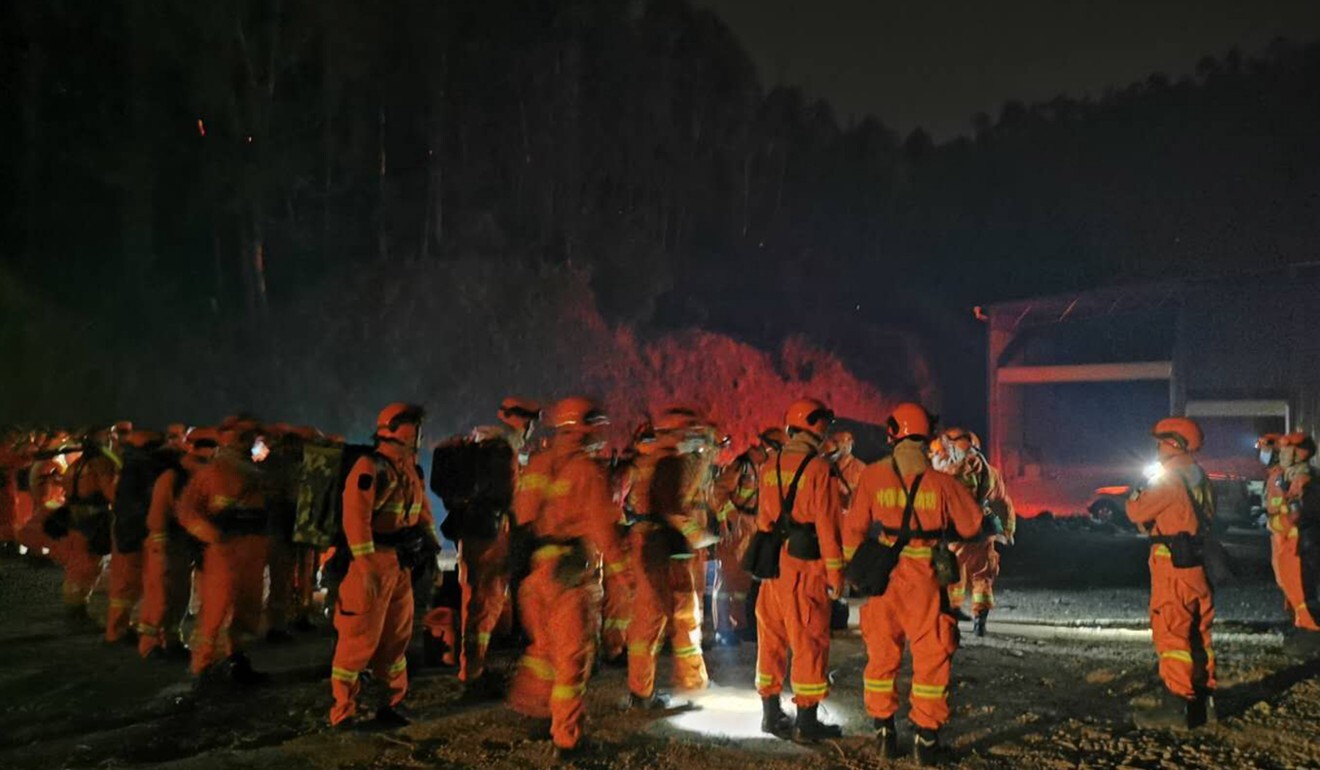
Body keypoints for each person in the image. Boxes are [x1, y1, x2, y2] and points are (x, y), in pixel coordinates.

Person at [844, 403, 983, 764]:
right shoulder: (942, 482)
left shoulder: (872, 476)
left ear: (893, 433)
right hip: (925, 581)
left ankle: (884, 734)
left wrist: (851, 573)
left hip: (882, 578)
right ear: (927, 437)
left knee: (881, 657)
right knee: (931, 658)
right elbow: (971, 526)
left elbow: (853, 530)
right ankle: (926, 741)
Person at [507, 397, 625, 757]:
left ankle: (533, 713)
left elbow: (523, 515)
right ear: (586, 427)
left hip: (537, 572)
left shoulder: (539, 464)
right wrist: (622, 573)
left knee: (543, 651)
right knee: (572, 660)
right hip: (571, 575)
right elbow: (603, 527)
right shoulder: (588, 471)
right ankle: (568, 739)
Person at [329, 403, 439, 727]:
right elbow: (356, 521)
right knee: (357, 641)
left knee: (395, 641)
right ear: (400, 429)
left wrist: (429, 551)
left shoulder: (409, 469)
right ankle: (342, 713)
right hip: (373, 563)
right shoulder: (369, 467)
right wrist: (366, 568)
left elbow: (422, 513)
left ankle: (389, 705)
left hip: (400, 566)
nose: (419, 434)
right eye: (416, 428)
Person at [754, 398, 845, 742]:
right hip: (805, 569)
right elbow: (828, 527)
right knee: (809, 641)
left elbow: (763, 520)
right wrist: (836, 577)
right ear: (818, 427)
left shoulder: (770, 465)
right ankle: (806, 723)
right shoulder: (820, 469)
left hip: (773, 567)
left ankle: (770, 714)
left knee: (771, 640)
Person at [1126, 417, 1217, 729]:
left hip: (1172, 567)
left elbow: (1136, 512)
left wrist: (1137, 491)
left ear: (1174, 443)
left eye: (1160, 441)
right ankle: (1204, 703)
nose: (1157, 447)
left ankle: (1176, 706)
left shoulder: (1170, 478)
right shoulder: (1199, 476)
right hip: (1196, 566)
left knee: (1172, 633)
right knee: (1198, 635)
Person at [624, 407, 713, 708]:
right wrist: (701, 535)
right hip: (663, 548)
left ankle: (660, 687)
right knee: (664, 618)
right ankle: (653, 690)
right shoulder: (669, 463)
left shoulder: (649, 460)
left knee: (671, 615)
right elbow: (671, 509)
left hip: (655, 545)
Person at [176, 417, 271, 685]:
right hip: (226, 551)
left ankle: (236, 660)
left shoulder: (255, 474)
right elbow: (186, 510)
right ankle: (203, 667)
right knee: (216, 609)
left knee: (246, 607)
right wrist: (212, 534)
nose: (250, 440)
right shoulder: (213, 473)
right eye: (245, 435)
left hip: (251, 549)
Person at [458, 397, 540, 696]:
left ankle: (473, 668)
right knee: (485, 604)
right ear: (524, 421)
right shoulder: (502, 449)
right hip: (491, 535)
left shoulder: (483, 444)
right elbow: (511, 496)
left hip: (475, 532)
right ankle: (473, 675)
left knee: (477, 603)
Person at [138, 427, 217, 659]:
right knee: (160, 595)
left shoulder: (201, 476)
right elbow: (158, 513)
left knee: (180, 595)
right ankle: (150, 644)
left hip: (186, 543)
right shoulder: (173, 476)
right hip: (167, 542)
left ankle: (171, 639)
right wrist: (160, 545)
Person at [932, 427, 1016, 636]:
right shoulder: (991, 473)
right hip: (981, 534)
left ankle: (951, 618)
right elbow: (1003, 504)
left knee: (953, 577)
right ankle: (980, 620)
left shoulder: (941, 474)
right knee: (982, 577)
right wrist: (1007, 530)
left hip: (952, 535)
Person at [710, 428, 783, 645]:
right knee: (727, 581)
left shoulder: (765, 468)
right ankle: (723, 629)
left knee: (743, 581)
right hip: (736, 526)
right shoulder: (740, 465)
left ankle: (739, 625)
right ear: (768, 446)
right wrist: (730, 520)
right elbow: (717, 493)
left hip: (752, 526)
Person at [1264, 432, 1320, 653]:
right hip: (1286, 541)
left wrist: (1274, 523)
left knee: (1301, 587)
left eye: (1285, 450)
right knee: (1289, 585)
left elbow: (1297, 514)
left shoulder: (1303, 479)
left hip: (1297, 542)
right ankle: (1299, 626)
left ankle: (1310, 634)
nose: (1281, 454)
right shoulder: (1284, 475)